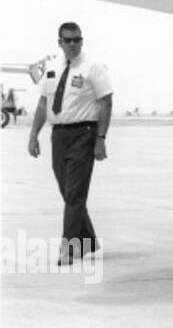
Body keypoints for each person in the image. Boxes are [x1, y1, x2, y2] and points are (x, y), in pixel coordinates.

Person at [27, 22, 113, 266]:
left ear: (82, 40)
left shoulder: (93, 67)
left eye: (77, 39)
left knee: (75, 193)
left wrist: (101, 139)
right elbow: (44, 103)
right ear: (60, 42)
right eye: (68, 40)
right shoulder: (53, 67)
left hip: (84, 133)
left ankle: (69, 248)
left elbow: (106, 103)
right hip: (59, 136)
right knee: (67, 191)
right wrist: (34, 135)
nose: (73, 44)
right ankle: (87, 242)